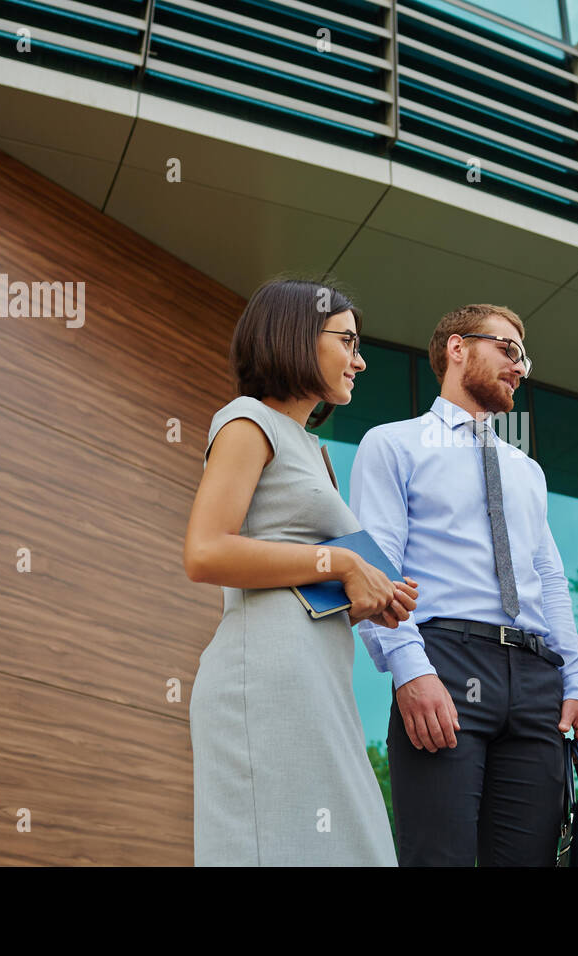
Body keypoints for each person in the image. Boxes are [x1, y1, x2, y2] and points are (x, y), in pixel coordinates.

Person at [182, 278, 418, 866]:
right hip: (265, 678)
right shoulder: (247, 421)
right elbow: (205, 552)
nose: (360, 361)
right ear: (295, 335)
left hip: (321, 679)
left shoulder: (313, 450)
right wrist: (342, 561)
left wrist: (369, 589)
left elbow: (296, 569)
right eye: (348, 341)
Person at [349, 303, 578, 866]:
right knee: (440, 857)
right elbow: (376, 567)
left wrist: (575, 684)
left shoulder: (527, 470)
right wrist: (409, 670)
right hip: (445, 663)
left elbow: (549, 579)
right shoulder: (392, 444)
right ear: (457, 348)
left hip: (536, 680)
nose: (520, 367)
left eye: (524, 358)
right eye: (508, 350)